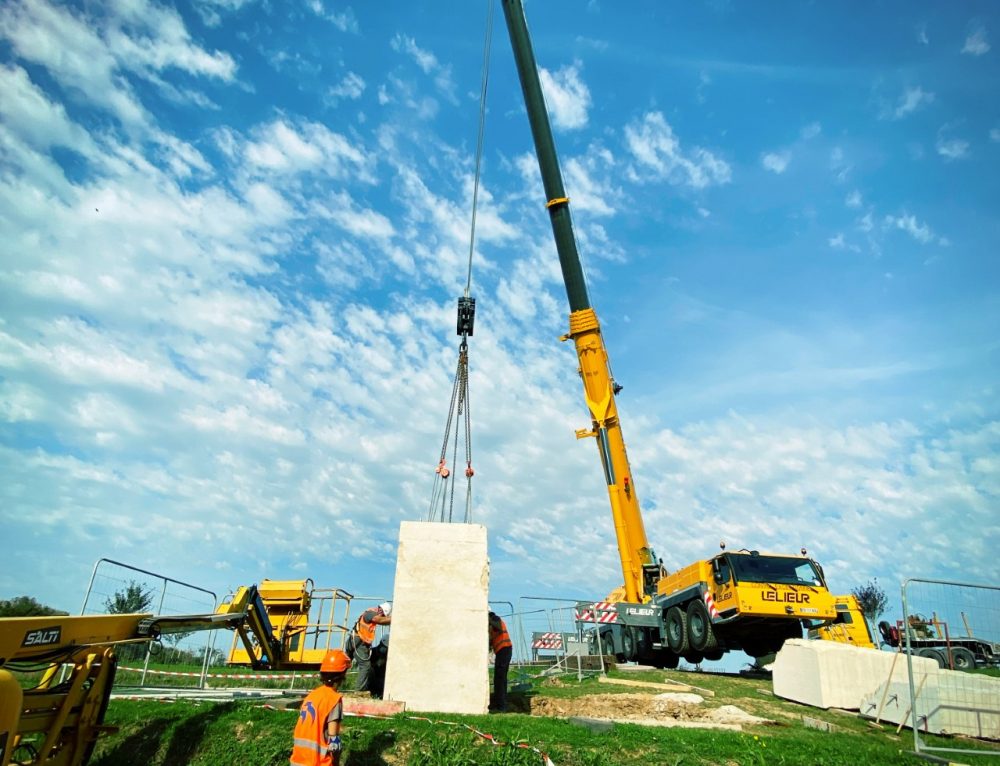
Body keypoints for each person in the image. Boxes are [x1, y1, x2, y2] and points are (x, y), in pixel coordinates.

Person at [290, 648, 350, 766]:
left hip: (298, 760)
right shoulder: (333, 699)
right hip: (317, 762)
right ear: (342, 674)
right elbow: (334, 742)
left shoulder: (312, 696)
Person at [345, 601, 391, 693]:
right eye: (383, 615)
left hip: (354, 641)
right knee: (365, 666)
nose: (383, 617)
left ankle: (333, 682)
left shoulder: (371, 613)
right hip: (359, 643)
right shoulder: (370, 613)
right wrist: (397, 618)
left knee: (344, 663)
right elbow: (380, 620)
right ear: (381, 611)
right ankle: (359, 692)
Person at [488, 611, 512, 712]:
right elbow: (491, 641)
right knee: (499, 679)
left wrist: (487, 619)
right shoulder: (491, 628)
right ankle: (500, 704)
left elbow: (497, 626)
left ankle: (501, 706)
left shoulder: (496, 619)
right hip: (502, 652)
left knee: (500, 678)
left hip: (504, 650)